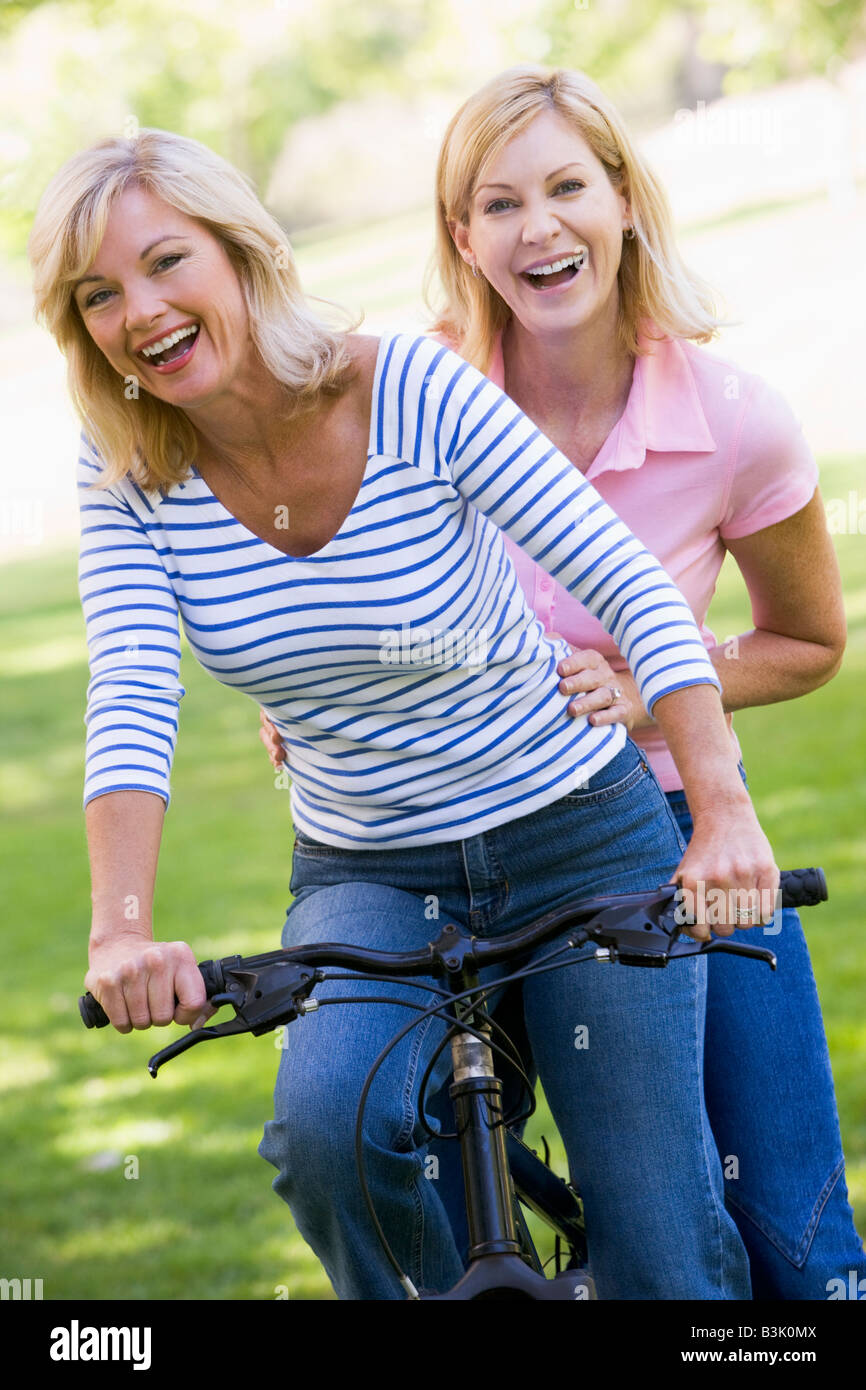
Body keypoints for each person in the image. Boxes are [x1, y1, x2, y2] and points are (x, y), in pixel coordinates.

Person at [30, 126, 781, 1302]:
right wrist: (118, 931)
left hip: (574, 824)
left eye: (167, 262)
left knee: (660, 1241)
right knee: (329, 1137)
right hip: (367, 868)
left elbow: (629, 586)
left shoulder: (406, 387)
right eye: (98, 294)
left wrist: (720, 809)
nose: (141, 311)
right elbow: (131, 685)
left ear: (241, 255)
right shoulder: (125, 465)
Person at [260, 63, 865, 1299]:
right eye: (495, 204)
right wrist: (320, 695)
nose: (536, 228)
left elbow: (805, 643)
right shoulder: (397, 403)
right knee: (374, 1148)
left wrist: (651, 688)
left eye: (565, 188)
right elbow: (320, 589)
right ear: (459, 237)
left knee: (790, 1250)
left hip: (655, 829)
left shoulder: (735, 419)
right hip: (431, 844)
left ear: (623, 200)